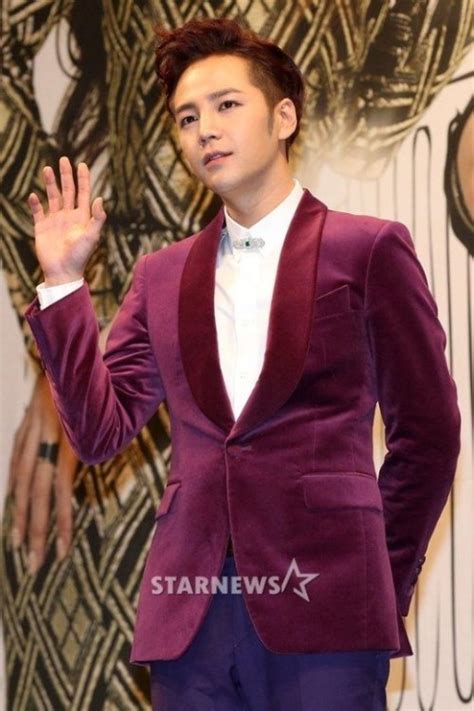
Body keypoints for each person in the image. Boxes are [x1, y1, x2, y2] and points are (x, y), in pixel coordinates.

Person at [23, 17, 461, 711]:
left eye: (227, 105)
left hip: (328, 609)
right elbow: (99, 433)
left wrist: (376, 580)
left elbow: (429, 436)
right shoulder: (161, 276)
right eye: (187, 118)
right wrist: (63, 283)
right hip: (190, 618)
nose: (205, 130)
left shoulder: (368, 249)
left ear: (283, 117)